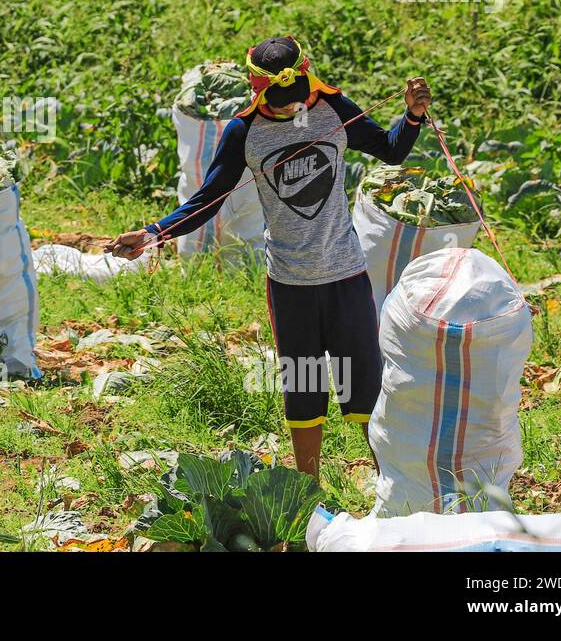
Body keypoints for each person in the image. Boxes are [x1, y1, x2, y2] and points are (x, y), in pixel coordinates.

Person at [110, 36, 433, 479]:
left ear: (306, 78)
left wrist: (412, 116)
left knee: (364, 389)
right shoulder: (243, 132)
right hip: (291, 286)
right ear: (256, 89)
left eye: (294, 100)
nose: (288, 108)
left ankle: (389, 486)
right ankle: (307, 490)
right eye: (278, 102)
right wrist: (153, 234)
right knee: (303, 390)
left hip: (346, 278)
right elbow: (208, 199)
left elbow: (389, 149)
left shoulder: (334, 108)